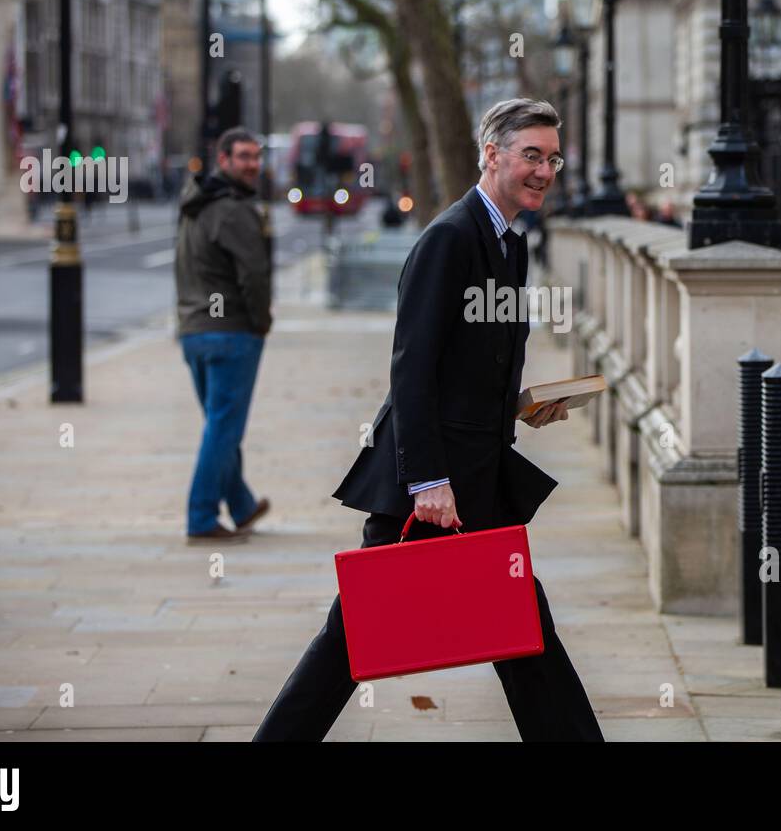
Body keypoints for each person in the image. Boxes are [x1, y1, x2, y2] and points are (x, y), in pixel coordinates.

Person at [254, 98, 603, 742]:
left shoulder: (510, 245)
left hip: (479, 475)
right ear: (491, 153)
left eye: (552, 158)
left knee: (528, 636)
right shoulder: (448, 238)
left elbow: (471, 365)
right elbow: (411, 370)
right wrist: (427, 481)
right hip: (436, 484)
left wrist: (525, 405)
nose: (545, 170)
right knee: (353, 641)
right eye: (531, 154)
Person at [174, 128, 273, 543]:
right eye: (243, 157)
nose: (253, 164)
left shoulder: (193, 203)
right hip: (231, 332)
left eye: (256, 156)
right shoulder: (234, 210)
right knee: (223, 428)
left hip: (193, 331)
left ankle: (242, 503)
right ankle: (200, 517)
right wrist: (260, 320)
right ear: (223, 159)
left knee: (219, 425)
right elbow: (254, 274)